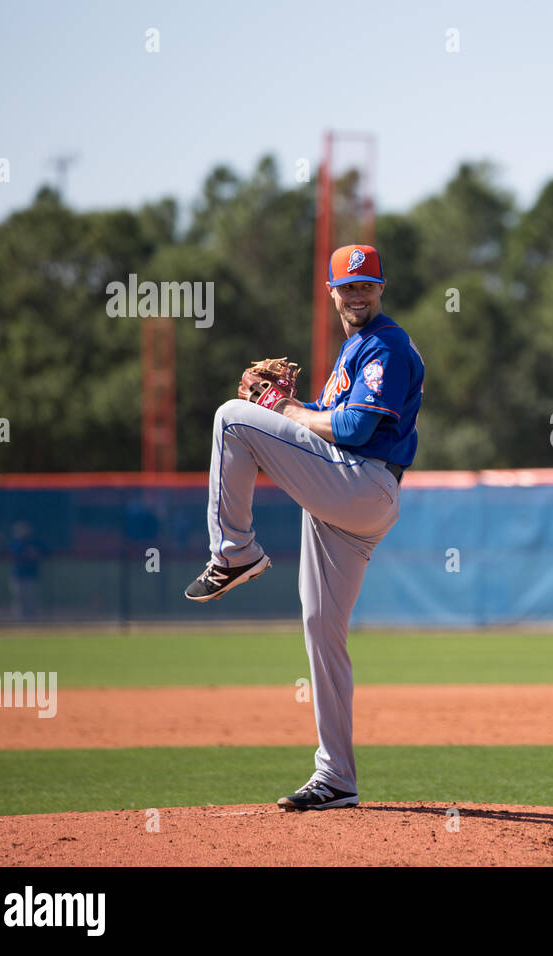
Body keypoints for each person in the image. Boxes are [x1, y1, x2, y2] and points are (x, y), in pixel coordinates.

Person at [184, 243, 424, 811]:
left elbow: (356, 429)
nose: (358, 293)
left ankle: (234, 551)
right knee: (322, 628)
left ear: (381, 289)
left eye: (368, 284)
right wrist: (291, 403)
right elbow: (324, 418)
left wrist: (280, 410)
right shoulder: (353, 351)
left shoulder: (386, 345)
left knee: (230, 419)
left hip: (363, 483)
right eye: (349, 285)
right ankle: (337, 776)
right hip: (347, 500)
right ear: (333, 292)